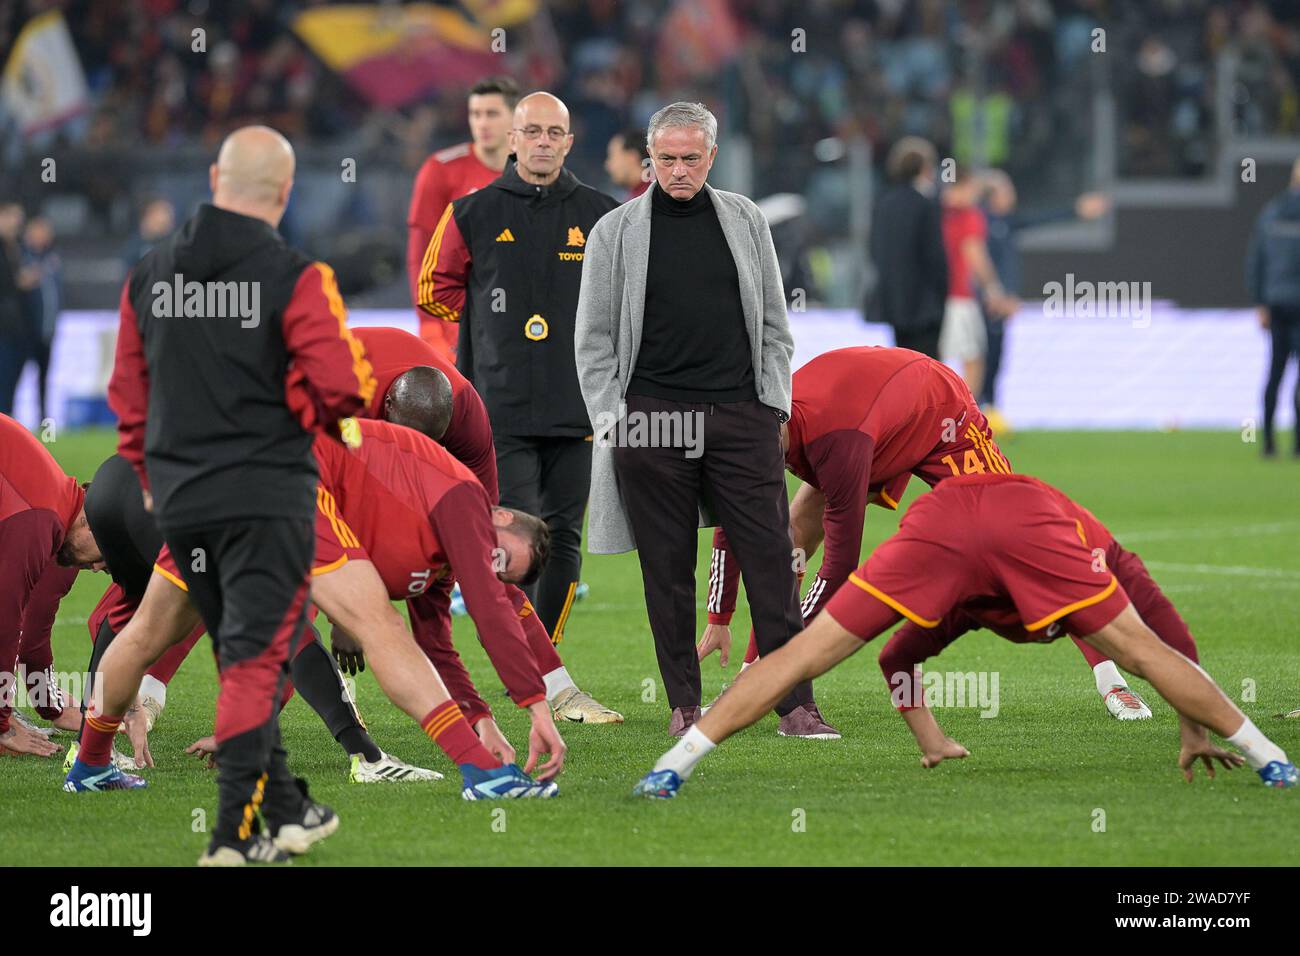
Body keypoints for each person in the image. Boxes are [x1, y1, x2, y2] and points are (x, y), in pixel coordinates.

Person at [635, 472, 1299, 797]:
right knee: (1141, 652)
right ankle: (1273, 760)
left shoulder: (1079, 552)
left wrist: (1190, 725)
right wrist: (933, 738)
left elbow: (896, 653)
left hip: (941, 523)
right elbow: (1165, 643)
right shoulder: (1080, 547)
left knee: (803, 654)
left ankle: (673, 767)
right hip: (1010, 519)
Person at [92, 125, 374, 866]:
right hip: (266, 496)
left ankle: (286, 811)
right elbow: (344, 388)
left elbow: (126, 395)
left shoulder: (150, 273)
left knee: (242, 652)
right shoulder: (296, 274)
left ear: (214, 176)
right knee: (253, 662)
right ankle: (229, 840)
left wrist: (157, 480)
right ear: (283, 194)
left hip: (180, 503)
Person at [75, 417, 566, 804]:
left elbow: (437, 644)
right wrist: (535, 704)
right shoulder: (464, 497)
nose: (489, 564)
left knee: (145, 635)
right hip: (279, 476)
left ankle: (90, 765)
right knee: (382, 628)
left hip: (227, 475)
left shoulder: (442, 553)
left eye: (501, 570)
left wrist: (483, 721)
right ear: (499, 515)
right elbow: (486, 609)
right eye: (498, 553)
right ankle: (481, 774)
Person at [700, 346, 1153, 721]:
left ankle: (1110, 677)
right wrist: (719, 618)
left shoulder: (835, 444)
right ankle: (749, 677)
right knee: (796, 534)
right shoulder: (762, 429)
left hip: (940, 415)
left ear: (777, 428)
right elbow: (736, 520)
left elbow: (840, 569)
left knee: (1024, 545)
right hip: (878, 420)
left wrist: (788, 649)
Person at [575, 101, 829, 739]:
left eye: (691, 158)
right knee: (665, 568)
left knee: (773, 560)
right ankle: (685, 706)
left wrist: (773, 404)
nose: (679, 170)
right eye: (667, 159)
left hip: (741, 413)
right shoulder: (615, 232)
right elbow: (593, 341)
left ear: (712, 156)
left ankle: (794, 703)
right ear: (648, 159)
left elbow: (775, 322)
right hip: (653, 419)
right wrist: (615, 420)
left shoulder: (745, 219)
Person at [70, 452, 440, 784]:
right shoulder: (326, 471)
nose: (92, 568)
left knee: (137, 624)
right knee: (284, 622)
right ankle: (366, 757)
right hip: (192, 500)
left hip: (115, 479)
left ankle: (87, 755)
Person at [419, 91, 618, 648]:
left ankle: (543, 654)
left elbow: (627, 298)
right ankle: (521, 654)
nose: (543, 142)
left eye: (554, 133)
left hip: (577, 408)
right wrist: (487, 325)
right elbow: (433, 289)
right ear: (512, 140)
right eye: (532, 131)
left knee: (564, 538)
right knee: (512, 536)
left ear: (569, 142)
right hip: (499, 409)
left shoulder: (600, 215)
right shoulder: (473, 210)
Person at [352, 325, 622, 723]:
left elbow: (482, 530)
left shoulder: (467, 417)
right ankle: (280, 721)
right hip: (308, 441)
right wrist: (351, 608)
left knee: (490, 576)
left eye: (427, 445)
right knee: (309, 579)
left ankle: (561, 691)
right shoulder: (341, 392)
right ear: (387, 407)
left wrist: (474, 569)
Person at [0, 413, 102, 758]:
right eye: (109, 555)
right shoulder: (45, 520)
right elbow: (12, 625)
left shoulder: (59, 504)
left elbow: (28, 636)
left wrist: (50, 705)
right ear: (89, 524)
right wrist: (2, 726)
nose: (99, 567)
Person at [979, 171, 1109, 433]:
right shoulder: (980, 224)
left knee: (996, 357)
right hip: (986, 303)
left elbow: (1038, 219)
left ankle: (990, 409)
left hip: (1002, 303)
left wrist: (1075, 210)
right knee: (982, 357)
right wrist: (992, 294)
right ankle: (976, 412)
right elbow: (977, 263)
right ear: (992, 196)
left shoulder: (1005, 223)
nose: (1012, 196)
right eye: (1007, 190)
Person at [407, 77, 519, 362]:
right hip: (456, 324)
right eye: (475, 114)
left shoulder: (533, 174)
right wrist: (430, 325)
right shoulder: (440, 170)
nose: (482, 123)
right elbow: (420, 256)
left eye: (492, 114)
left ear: (515, 118)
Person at [940, 167, 1018, 401]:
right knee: (973, 360)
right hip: (960, 298)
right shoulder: (970, 216)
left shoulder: (935, 213)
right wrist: (994, 290)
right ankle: (963, 419)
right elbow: (976, 255)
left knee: (933, 360)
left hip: (931, 299)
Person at [867, 138, 948, 357]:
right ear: (925, 167)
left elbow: (874, 250)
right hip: (925, 306)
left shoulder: (884, 203)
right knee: (928, 369)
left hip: (895, 303)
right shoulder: (925, 204)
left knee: (904, 364)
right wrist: (942, 294)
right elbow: (935, 258)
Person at [1245, 157, 1300, 458]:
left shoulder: (1272, 212)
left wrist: (1261, 302)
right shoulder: (1272, 212)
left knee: (1275, 373)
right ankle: (1297, 444)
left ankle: (1268, 442)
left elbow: (1256, 260)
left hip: (1277, 302)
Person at [19, 216, 62, 423]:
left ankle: (43, 418)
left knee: (44, 378)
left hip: (47, 330)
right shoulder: (19, 257)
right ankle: (8, 418)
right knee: (13, 376)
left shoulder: (51, 259)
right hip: (25, 331)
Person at [605, 127, 650, 201]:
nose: (607, 165)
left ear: (632, 157)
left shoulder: (651, 199)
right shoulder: (637, 198)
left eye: (612, 156)